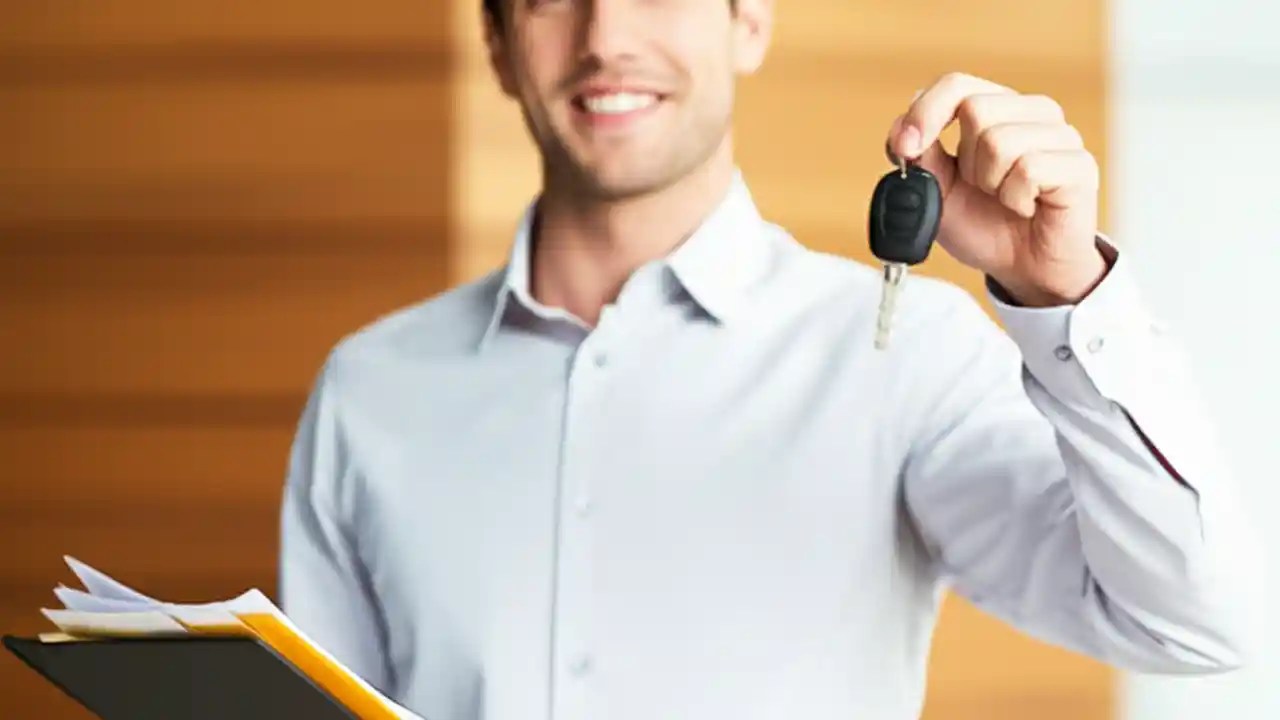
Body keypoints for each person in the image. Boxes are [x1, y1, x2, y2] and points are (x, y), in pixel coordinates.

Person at [277, 0, 1261, 718]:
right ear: (495, 42)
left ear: (749, 19)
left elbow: (1190, 622)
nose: (604, 35)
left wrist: (1064, 295)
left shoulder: (902, 358)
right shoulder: (369, 391)